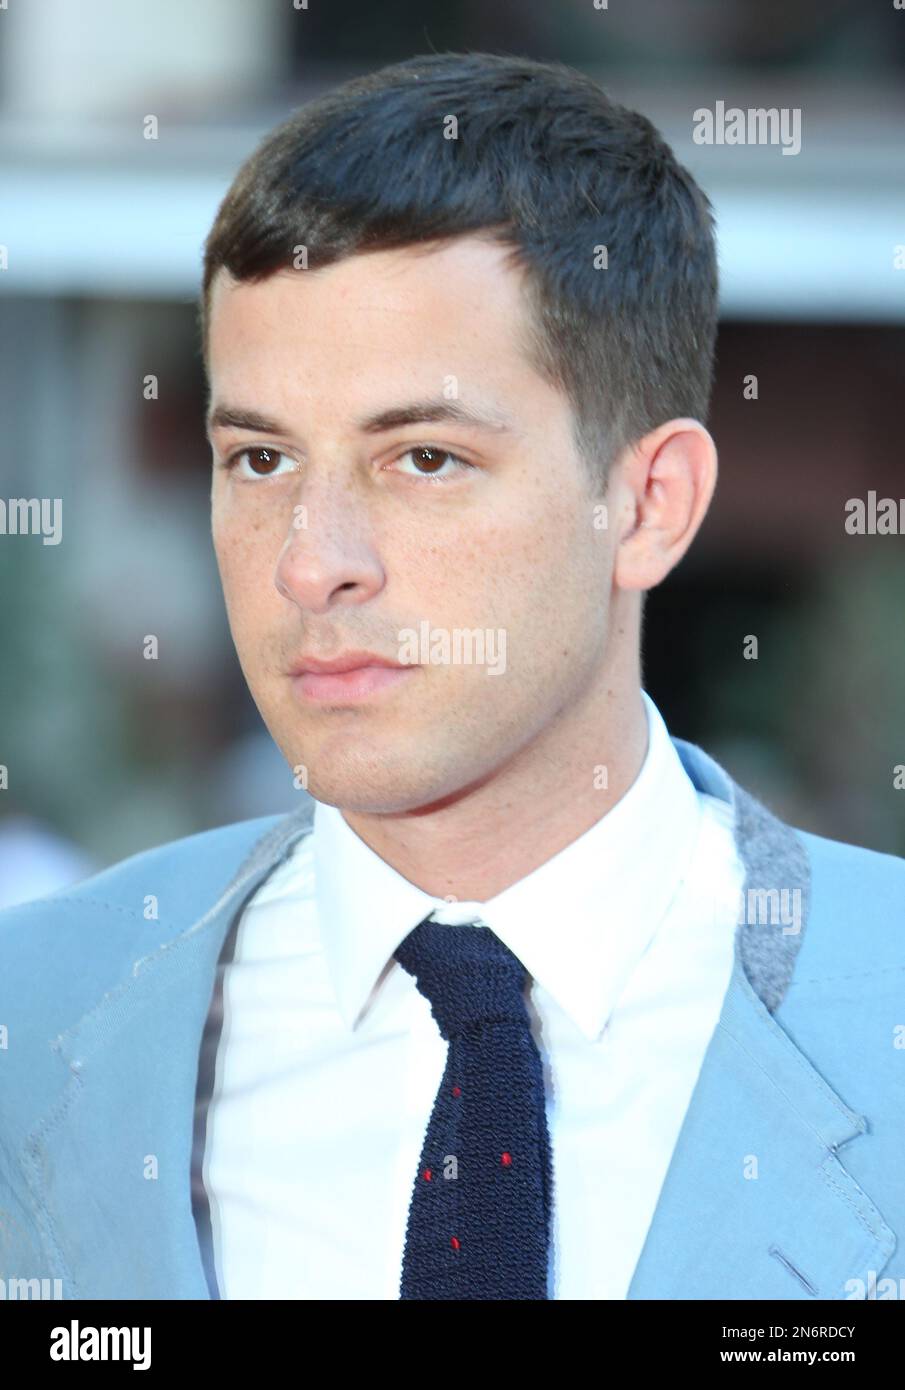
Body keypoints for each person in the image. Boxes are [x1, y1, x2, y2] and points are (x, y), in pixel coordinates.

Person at [1, 51, 902, 1302]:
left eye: (422, 458)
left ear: (647, 505)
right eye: (260, 460)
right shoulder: (32, 1015)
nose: (312, 566)